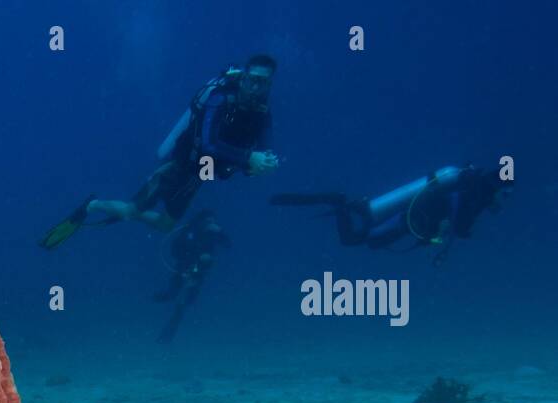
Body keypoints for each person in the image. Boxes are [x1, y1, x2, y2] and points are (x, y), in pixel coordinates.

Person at [40, 54, 279, 247]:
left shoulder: (261, 112)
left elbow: (259, 152)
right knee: (131, 210)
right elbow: (209, 144)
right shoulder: (221, 98)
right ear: (244, 78)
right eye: (252, 79)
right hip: (179, 164)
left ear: (269, 85)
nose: (256, 87)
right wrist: (249, 158)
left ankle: (128, 213)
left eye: (263, 82)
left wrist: (262, 164)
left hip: (198, 176)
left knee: (165, 225)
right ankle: (92, 206)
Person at [270, 164, 511, 262]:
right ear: (498, 189)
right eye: (505, 194)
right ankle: (339, 202)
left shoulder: (472, 189)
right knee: (355, 239)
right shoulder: (476, 196)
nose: (504, 201)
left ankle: (348, 205)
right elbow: (460, 226)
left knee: (363, 230)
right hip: (409, 219)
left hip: (410, 216)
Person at [153, 210, 231, 343]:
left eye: (212, 222)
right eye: (207, 222)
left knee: (187, 301)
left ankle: (169, 332)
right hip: (183, 268)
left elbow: (228, 244)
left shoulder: (213, 233)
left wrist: (220, 231)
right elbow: (175, 250)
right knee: (174, 294)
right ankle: (162, 301)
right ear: (201, 221)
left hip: (199, 271)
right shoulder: (189, 231)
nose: (210, 225)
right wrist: (195, 255)